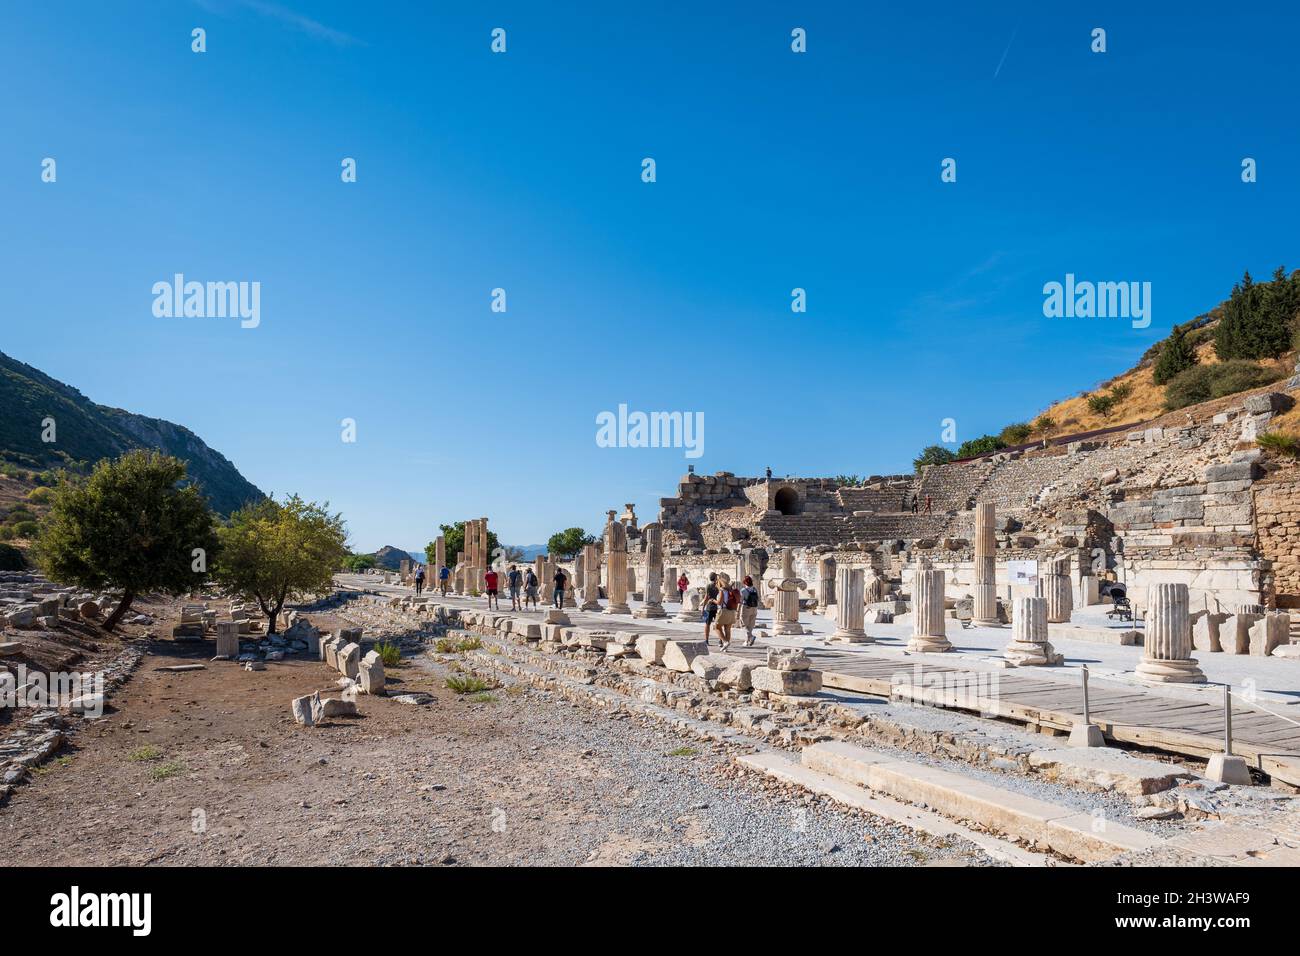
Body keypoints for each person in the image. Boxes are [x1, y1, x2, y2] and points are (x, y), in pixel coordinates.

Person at [716, 574, 739, 651]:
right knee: (727, 630)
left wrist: (713, 601)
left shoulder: (722, 591)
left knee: (717, 627)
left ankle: (725, 642)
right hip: (731, 611)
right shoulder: (731, 591)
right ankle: (726, 648)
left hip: (723, 611)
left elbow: (719, 602)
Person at [739, 575, 760, 647]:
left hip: (746, 608)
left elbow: (741, 601)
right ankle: (747, 642)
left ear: (744, 582)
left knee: (743, 623)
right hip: (754, 608)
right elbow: (758, 599)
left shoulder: (743, 590)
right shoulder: (754, 589)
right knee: (750, 625)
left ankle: (751, 636)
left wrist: (738, 610)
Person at [702, 572, 720, 644]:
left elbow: (706, 597)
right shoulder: (717, 586)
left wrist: (703, 607)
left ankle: (706, 640)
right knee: (718, 624)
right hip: (716, 606)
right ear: (715, 578)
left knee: (707, 624)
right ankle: (720, 640)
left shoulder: (708, 586)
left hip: (709, 607)